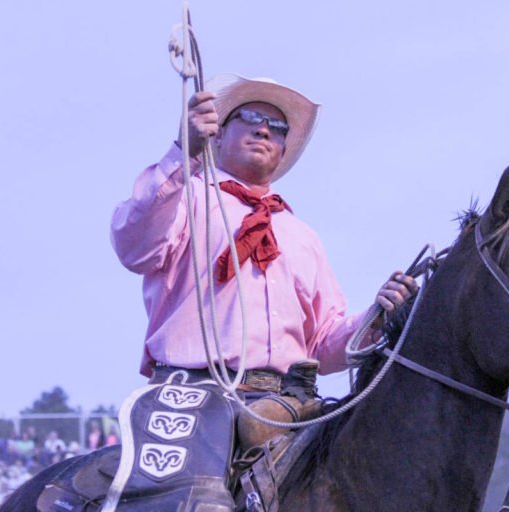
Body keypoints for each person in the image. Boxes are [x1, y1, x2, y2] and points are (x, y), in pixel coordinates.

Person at [109, 73, 417, 505]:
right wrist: (183, 153)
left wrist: (376, 316)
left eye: (277, 126)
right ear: (217, 136)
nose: (263, 129)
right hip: (194, 394)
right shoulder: (186, 197)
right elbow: (133, 245)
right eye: (249, 117)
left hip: (287, 403)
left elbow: (324, 343)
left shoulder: (301, 236)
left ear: (284, 147)